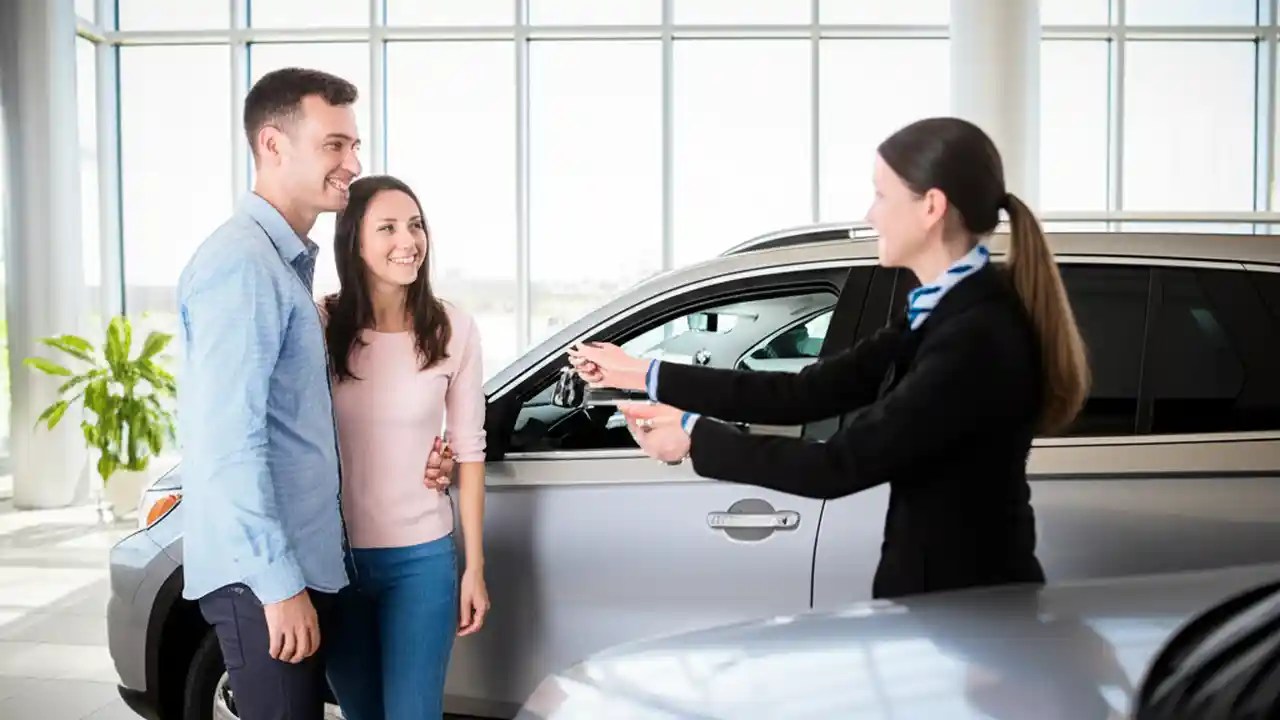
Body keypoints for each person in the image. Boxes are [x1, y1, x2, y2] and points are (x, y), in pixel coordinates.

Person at [569, 116, 1090, 600]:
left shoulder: (974, 336)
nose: (870, 214)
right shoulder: (941, 311)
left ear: (931, 207)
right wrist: (641, 372)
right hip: (949, 603)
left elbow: (838, 465)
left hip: (966, 607)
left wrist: (693, 436)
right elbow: (806, 393)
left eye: (881, 195)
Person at [176, 68, 452, 719]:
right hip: (265, 579)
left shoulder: (282, 264)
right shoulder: (243, 267)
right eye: (334, 145)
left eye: (353, 145)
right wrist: (277, 586)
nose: (352, 163)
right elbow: (227, 444)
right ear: (273, 146)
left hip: (301, 568)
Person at [320, 175, 490, 720]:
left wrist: (474, 568)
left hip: (423, 561)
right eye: (388, 227)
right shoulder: (320, 324)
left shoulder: (454, 329)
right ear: (354, 241)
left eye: (415, 225)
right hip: (334, 561)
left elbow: (469, 450)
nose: (408, 241)